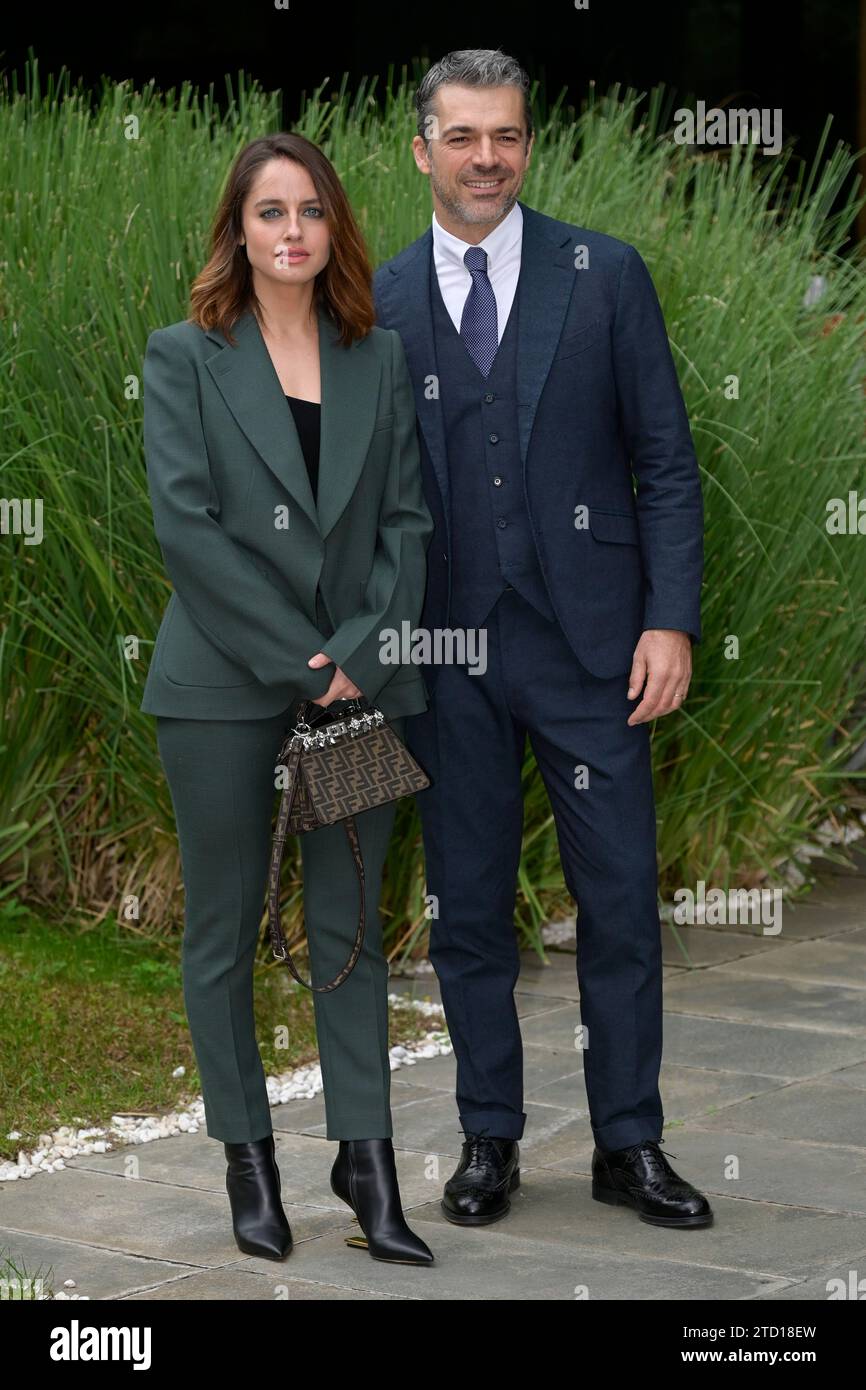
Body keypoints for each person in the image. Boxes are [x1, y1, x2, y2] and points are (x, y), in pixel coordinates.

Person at [374, 49, 713, 1229]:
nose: (484, 158)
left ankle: (629, 1144)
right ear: (421, 150)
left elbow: (664, 463)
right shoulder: (382, 296)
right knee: (467, 906)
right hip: (445, 654)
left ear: (527, 146)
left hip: (590, 650)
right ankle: (487, 1141)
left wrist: (668, 617)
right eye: (460, 136)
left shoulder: (603, 275)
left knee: (617, 899)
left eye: (504, 136)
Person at [140, 131, 435, 1265]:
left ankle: (367, 1165)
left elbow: (405, 525)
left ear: (333, 228)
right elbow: (189, 533)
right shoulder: (184, 355)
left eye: (310, 211)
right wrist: (305, 664)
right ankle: (247, 1163)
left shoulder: (377, 354)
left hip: (361, 683)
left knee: (349, 929)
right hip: (221, 684)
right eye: (270, 212)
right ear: (239, 230)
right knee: (220, 932)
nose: (293, 231)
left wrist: (357, 653)